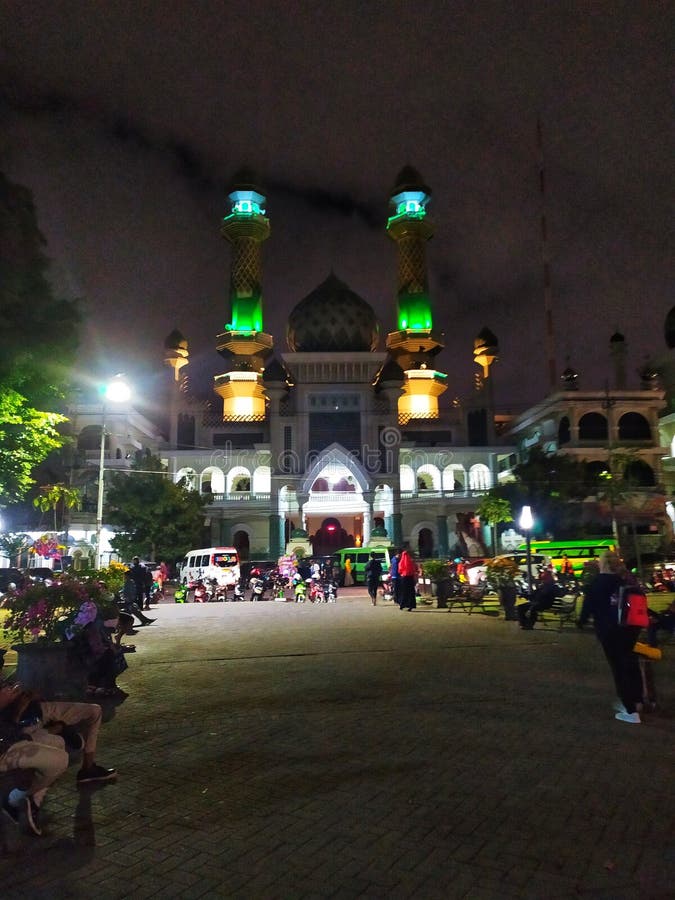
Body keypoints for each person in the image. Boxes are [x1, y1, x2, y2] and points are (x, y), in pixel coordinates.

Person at [0, 678, 116, 836]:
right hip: (11, 740)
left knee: (63, 740)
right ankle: (17, 800)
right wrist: (16, 709)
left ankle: (27, 801)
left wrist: (26, 697)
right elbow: (10, 735)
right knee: (60, 756)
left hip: (30, 716)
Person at [577, 551, 643, 724]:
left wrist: (581, 622)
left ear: (602, 564)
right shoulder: (624, 580)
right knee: (631, 663)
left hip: (609, 631)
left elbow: (588, 607)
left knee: (619, 668)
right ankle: (637, 700)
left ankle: (630, 710)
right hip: (630, 629)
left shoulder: (597, 583)